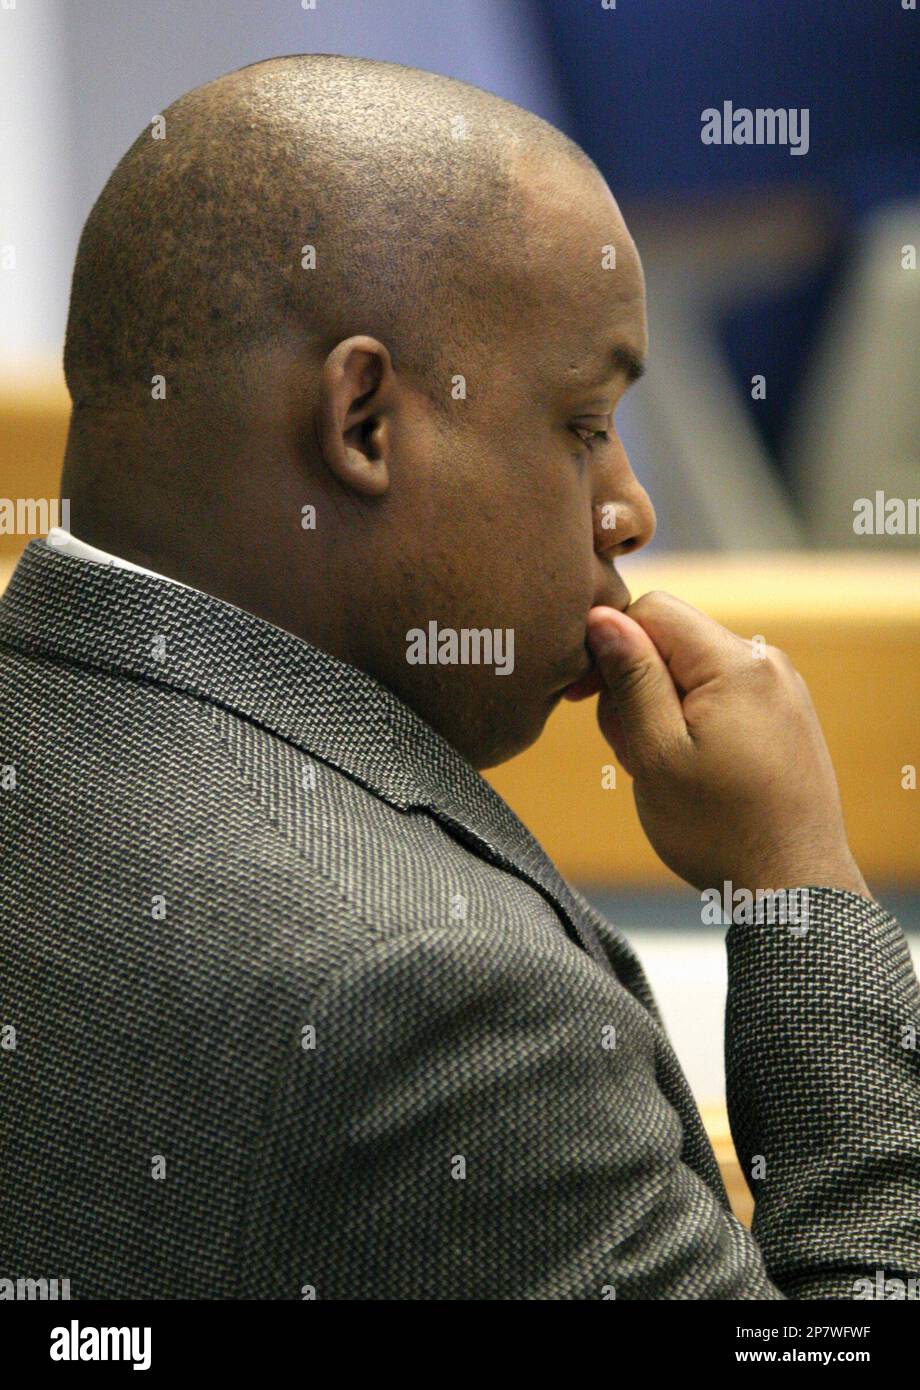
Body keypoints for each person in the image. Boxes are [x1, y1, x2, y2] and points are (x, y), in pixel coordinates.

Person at [0, 54, 917, 1300]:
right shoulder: (442, 1007)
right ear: (365, 422)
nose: (631, 509)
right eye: (585, 429)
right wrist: (795, 889)